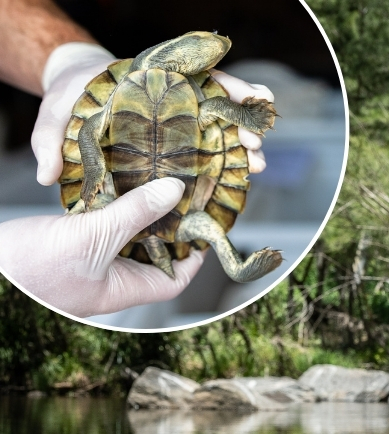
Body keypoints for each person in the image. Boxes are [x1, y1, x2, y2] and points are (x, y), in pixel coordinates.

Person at [0, 0, 272, 318]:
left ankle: (238, 269)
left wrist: (66, 58)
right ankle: (237, 269)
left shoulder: (127, 95)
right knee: (209, 230)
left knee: (212, 234)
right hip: (171, 210)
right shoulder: (184, 101)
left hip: (176, 211)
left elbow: (91, 129)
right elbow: (91, 132)